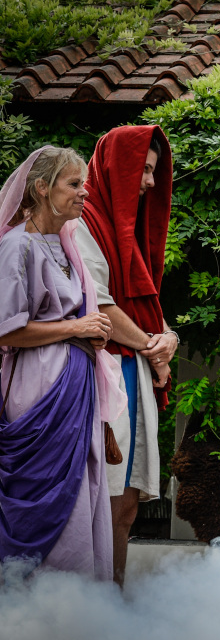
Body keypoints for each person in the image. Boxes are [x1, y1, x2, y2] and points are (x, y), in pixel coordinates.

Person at [0, 146, 125, 580]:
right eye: (74, 184)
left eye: (84, 184)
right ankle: (32, 618)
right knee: (44, 496)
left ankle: (75, 616)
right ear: (41, 188)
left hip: (77, 387)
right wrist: (76, 329)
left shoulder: (65, 245)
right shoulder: (16, 247)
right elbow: (7, 331)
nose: (84, 193)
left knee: (79, 498)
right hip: (39, 390)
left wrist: (90, 331)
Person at [74, 125, 177, 588]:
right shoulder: (82, 223)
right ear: (121, 165)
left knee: (128, 501)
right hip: (100, 372)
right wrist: (152, 346)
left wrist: (165, 338)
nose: (151, 183)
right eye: (145, 170)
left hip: (131, 367)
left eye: (155, 172)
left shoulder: (125, 230)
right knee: (99, 498)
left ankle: (113, 600)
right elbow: (98, 306)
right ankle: (90, 606)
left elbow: (143, 306)